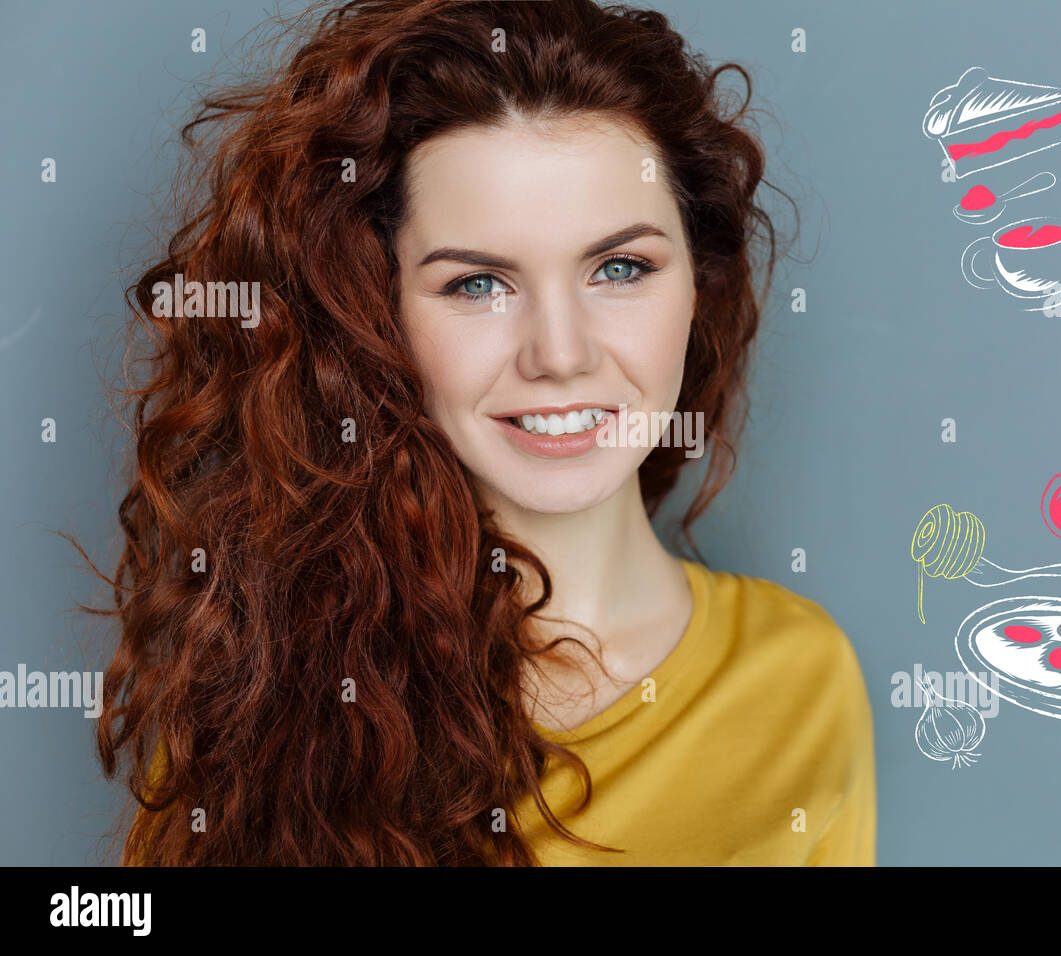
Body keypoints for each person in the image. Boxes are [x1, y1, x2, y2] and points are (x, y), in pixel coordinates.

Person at [89, 0, 874, 866]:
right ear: (372, 315)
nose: (559, 355)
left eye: (620, 268)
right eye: (477, 285)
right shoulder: (269, 685)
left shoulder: (804, 680)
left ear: (699, 286)